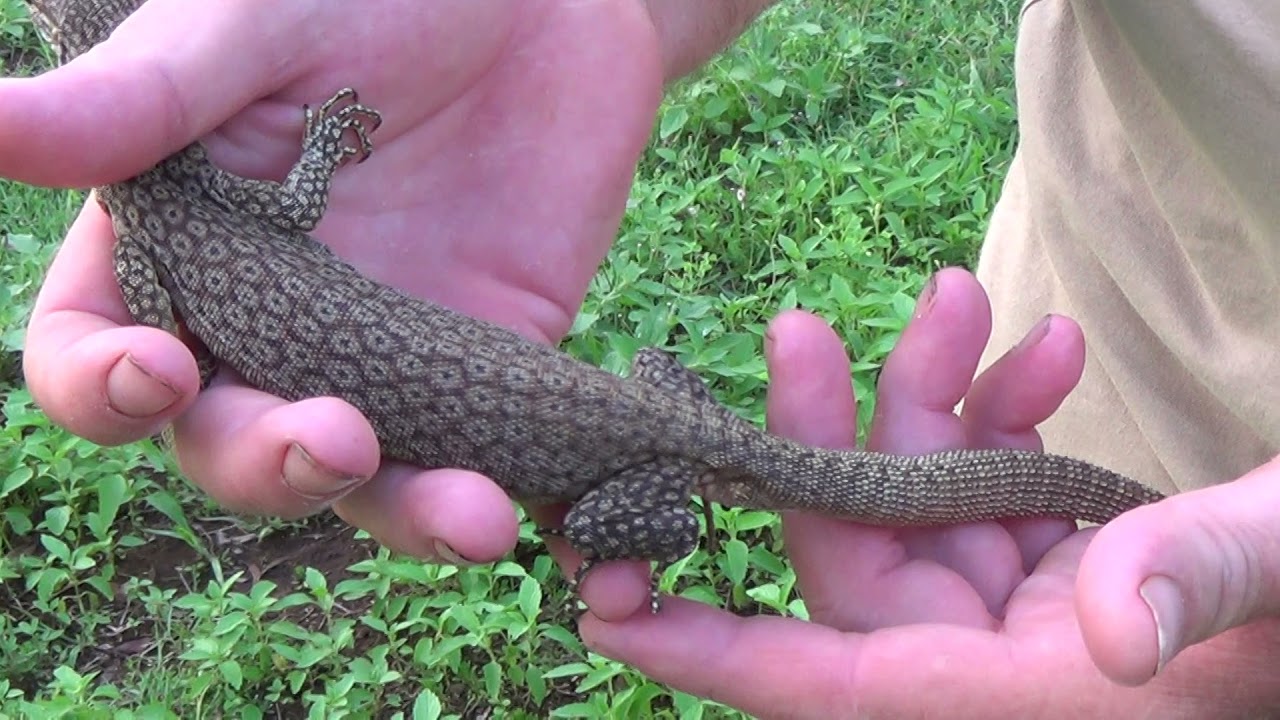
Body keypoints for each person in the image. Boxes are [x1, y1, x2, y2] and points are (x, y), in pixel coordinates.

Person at [7, 0, 1280, 716]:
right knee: (622, 476)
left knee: (614, 523)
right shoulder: (202, 213)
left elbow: (174, 316)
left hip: (649, 438)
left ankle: (662, 488)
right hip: (1090, 365)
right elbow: (271, 231)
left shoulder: (160, 240)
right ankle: (1116, 503)